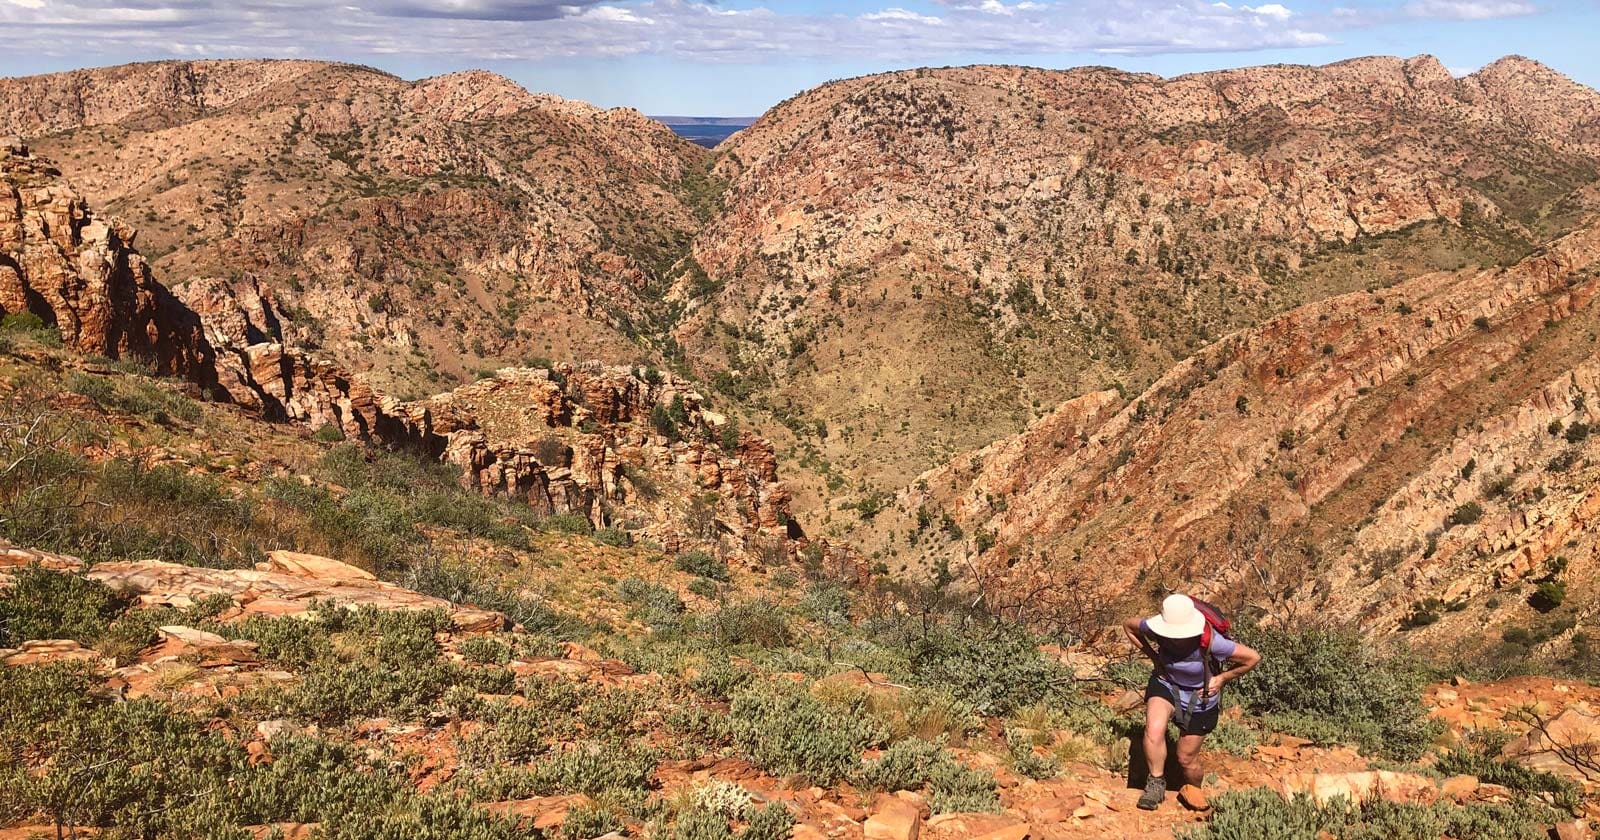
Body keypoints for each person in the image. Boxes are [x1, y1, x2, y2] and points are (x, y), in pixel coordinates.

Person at [1122, 593, 1261, 811]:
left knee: (1186, 758)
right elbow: (1129, 626)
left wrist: (1222, 679)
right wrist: (1154, 657)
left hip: (1200, 696)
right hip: (1166, 683)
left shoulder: (1213, 642)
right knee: (1153, 730)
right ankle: (1156, 782)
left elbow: (1253, 657)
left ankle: (1193, 790)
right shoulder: (1156, 628)